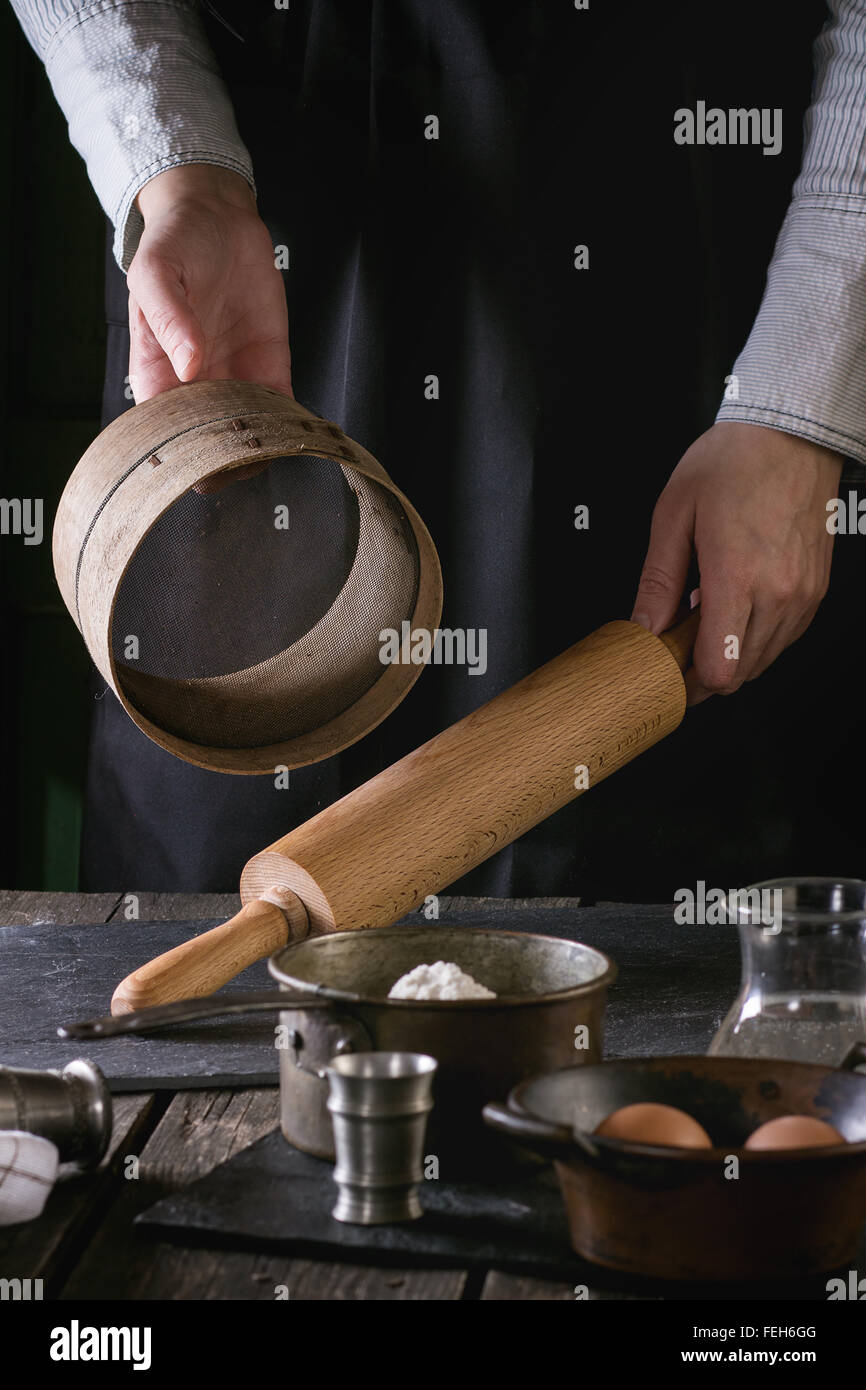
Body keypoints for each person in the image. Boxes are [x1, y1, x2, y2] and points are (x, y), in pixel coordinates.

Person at [8, 0, 859, 893]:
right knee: (217, 927)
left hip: (680, 256)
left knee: (671, 935)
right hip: (253, 248)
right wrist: (175, 167)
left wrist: (799, 395)